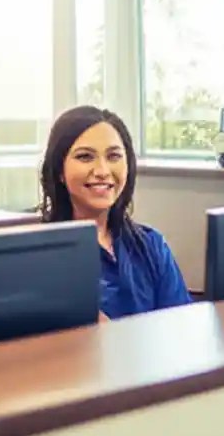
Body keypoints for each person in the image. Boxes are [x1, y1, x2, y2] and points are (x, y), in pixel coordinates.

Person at [39, 106, 192, 320]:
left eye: (113, 156)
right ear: (59, 172)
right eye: (85, 157)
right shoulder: (40, 257)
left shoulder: (151, 245)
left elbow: (182, 328)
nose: (102, 171)